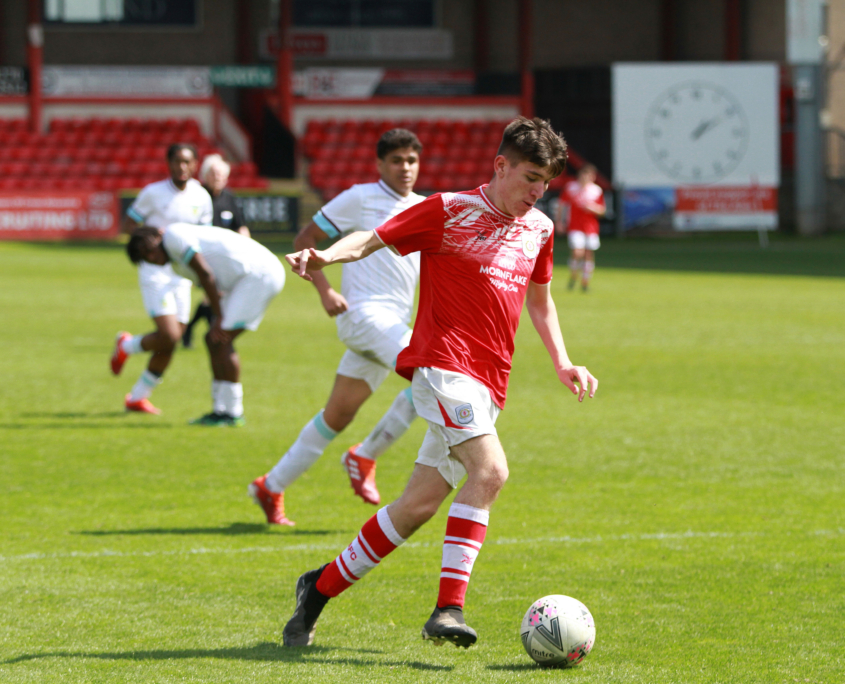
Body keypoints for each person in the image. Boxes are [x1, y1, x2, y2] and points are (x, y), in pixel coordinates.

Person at [280, 117, 598, 650]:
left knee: (417, 506)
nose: (537, 192)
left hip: (489, 382)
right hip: (443, 367)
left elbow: (540, 301)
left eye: (545, 182)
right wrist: (324, 255)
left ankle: (317, 589)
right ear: (500, 166)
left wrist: (564, 361)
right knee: (491, 472)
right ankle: (448, 608)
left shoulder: (539, 228)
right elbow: (370, 240)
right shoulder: (449, 209)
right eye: (529, 177)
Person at [248, 129, 425, 525]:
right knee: (435, 372)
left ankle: (270, 486)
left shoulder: (422, 206)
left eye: (411, 160)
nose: (405, 168)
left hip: (391, 324)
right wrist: (325, 291)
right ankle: (365, 456)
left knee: (336, 417)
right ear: (380, 164)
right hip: (363, 315)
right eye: (396, 160)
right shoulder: (361, 197)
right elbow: (304, 239)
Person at [125, 224, 285, 426]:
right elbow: (211, 283)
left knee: (221, 339)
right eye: (145, 258)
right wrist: (218, 315)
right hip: (245, 280)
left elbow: (206, 274)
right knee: (214, 340)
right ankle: (222, 410)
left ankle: (231, 413)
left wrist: (218, 317)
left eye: (150, 250)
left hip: (258, 275)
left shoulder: (173, 236)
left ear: (158, 234)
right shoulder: (175, 263)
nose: (152, 258)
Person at [111, 143, 213, 415]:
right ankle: (128, 348)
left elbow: (205, 236)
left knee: (172, 341)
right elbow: (128, 226)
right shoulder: (152, 194)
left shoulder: (202, 196)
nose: (182, 167)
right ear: (168, 163)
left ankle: (136, 394)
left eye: (187, 162)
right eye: (177, 161)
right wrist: (151, 234)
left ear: (194, 165)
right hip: (155, 271)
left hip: (183, 274)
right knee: (168, 334)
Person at [182, 154, 251, 349]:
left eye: (221, 174)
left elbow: (241, 226)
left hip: (226, 255)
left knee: (214, 296)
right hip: (202, 254)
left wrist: (247, 247)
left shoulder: (230, 198)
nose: (218, 177)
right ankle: (216, 335)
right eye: (213, 173)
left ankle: (193, 329)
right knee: (214, 294)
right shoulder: (197, 197)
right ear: (205, 175)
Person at [556, 164, 606, 292]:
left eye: (589, 175)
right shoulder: (571, 188)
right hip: (575, 226)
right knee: (577, 252)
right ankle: (573, 275)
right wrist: (559, 222)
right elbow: (562, 204)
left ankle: (585, 282)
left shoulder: (596, 191)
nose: (586, 177)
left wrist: (592, 208)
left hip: (591, 227)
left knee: (588, 254)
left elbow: (602, 211)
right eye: (584, 174)